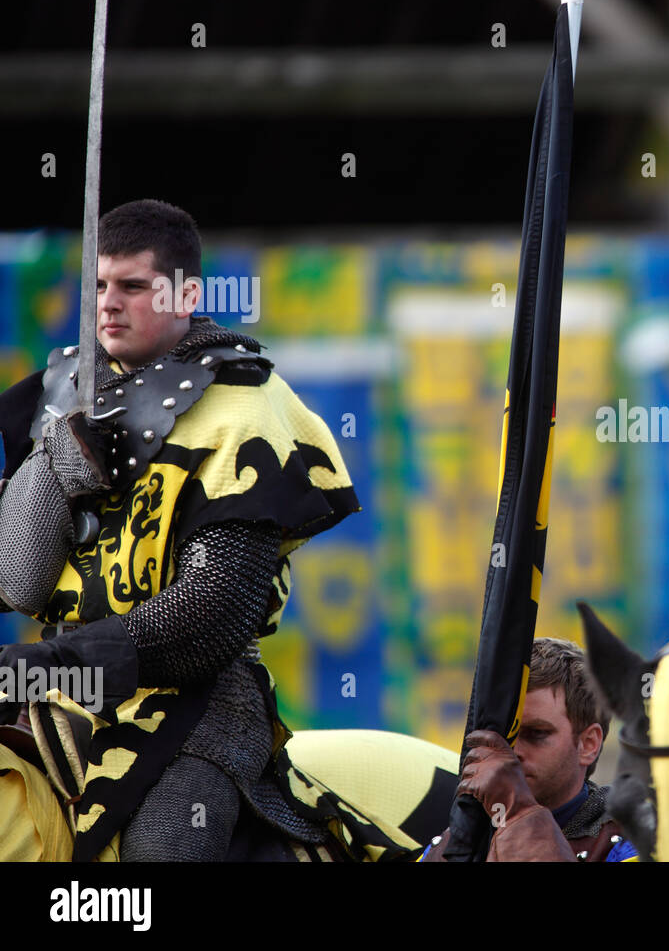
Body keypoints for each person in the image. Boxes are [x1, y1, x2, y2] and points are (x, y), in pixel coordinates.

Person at [0, 199, 400, 861]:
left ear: (188, 293)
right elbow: (17, 580)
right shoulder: (57, 392)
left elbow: (214, 612)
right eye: (98, 286)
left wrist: (54, 662)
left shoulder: (245, 407)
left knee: (162, 851)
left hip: (197, 701)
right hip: (59, 698)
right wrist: (55, 466)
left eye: (132, 286)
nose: (108, 305)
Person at [425, 637, 637, 862]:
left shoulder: (637, 841)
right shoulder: (456, 840)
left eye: (536, 733)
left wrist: (519, 813)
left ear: (588, 744)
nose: (510, 751)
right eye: (503, 735)